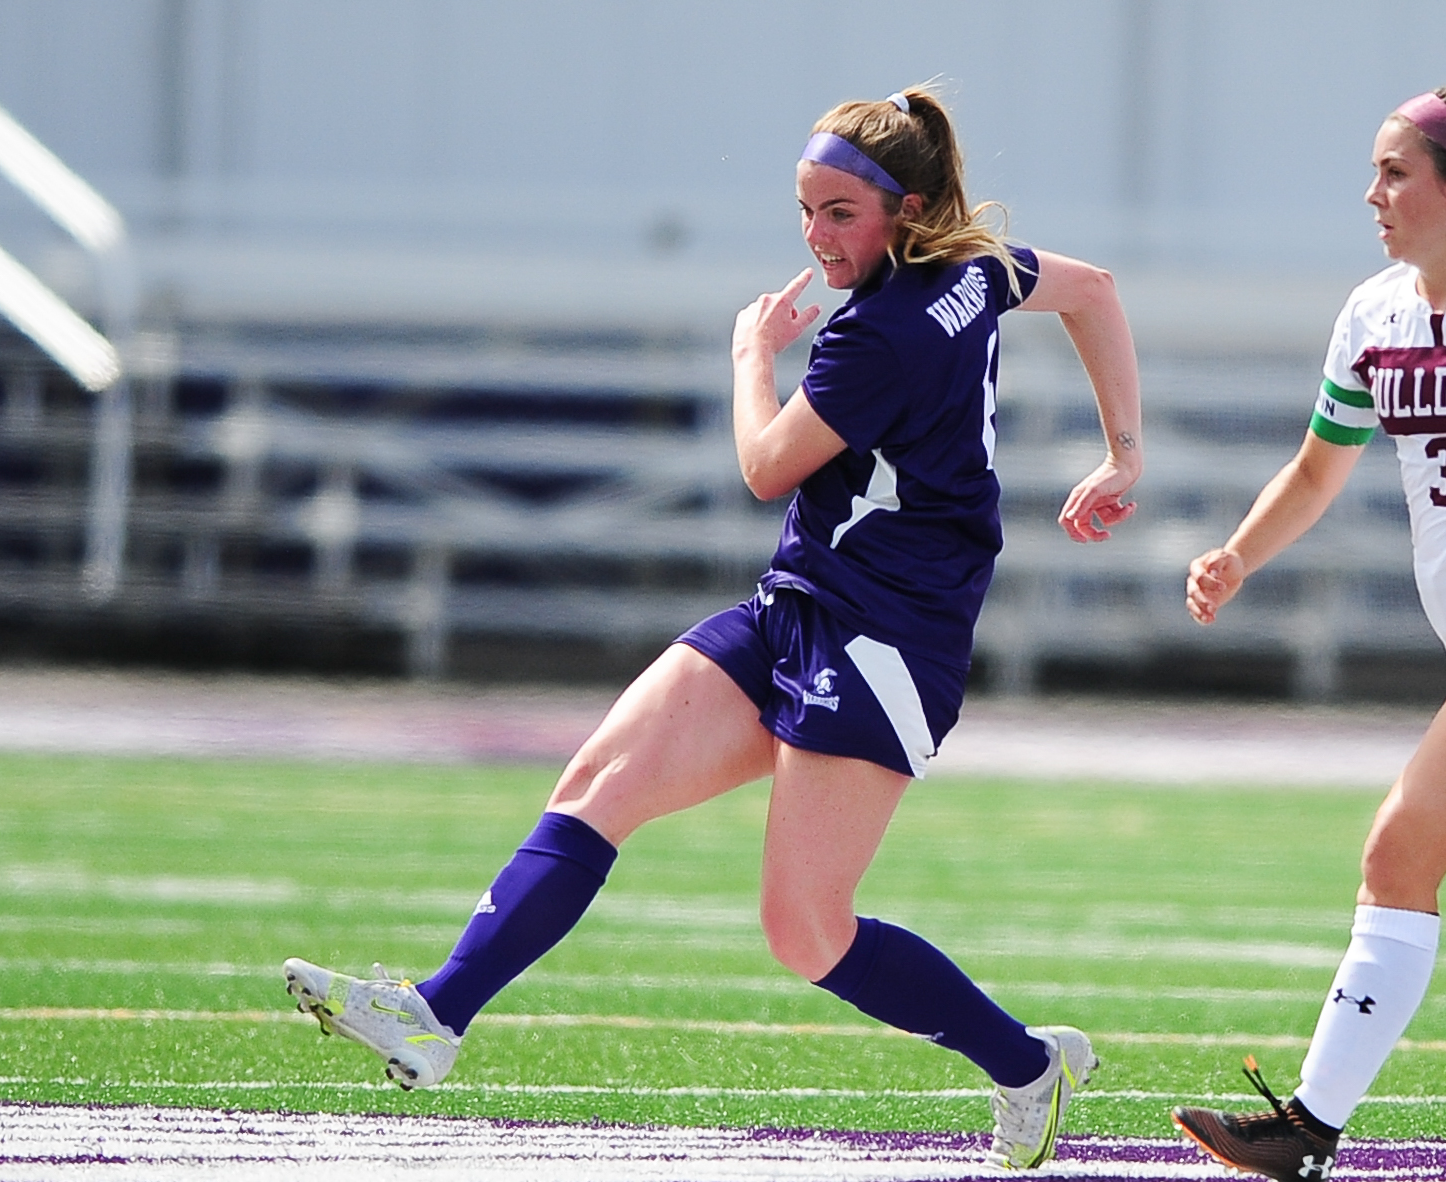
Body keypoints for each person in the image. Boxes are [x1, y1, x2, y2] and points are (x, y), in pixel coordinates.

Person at [284, 85, 1143, 1170]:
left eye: (841, 213)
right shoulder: (974, 268)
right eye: (806, 209)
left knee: (807, 929)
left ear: (909, 211)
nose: (816, 235)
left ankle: (1023, 1064)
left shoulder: (880, 333)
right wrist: (1124, 452)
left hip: (885, 643)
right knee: (599, 782)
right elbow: (1094, 289)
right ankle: (436, 1013)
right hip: (801, 600)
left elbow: (764, 465)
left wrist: (751, 352)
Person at [1173, 87, 1446, 1182]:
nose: (1373, 193)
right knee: (1399, 855)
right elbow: (1316, 469)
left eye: (1396, 172)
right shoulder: (1375, 316)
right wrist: (1239, 555)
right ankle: (1307, 1131)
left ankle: (1307, 1130)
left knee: (1399, 850)